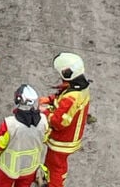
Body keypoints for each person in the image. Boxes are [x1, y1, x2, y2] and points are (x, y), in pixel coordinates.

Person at [40, 53, 91, 187]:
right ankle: (49, 180)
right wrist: (51, 100)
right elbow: (63, 94)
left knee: (55, 167)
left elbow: (58, 122)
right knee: (56, 165)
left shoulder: (71, 98)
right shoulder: (80, 86)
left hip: (62, 141)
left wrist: (45, 113)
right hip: (69, 138)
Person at [0, 83, 48, 186]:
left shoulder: (10, 124)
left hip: (7, 169)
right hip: (30, 169)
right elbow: (44, 138)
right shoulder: (43, 121)